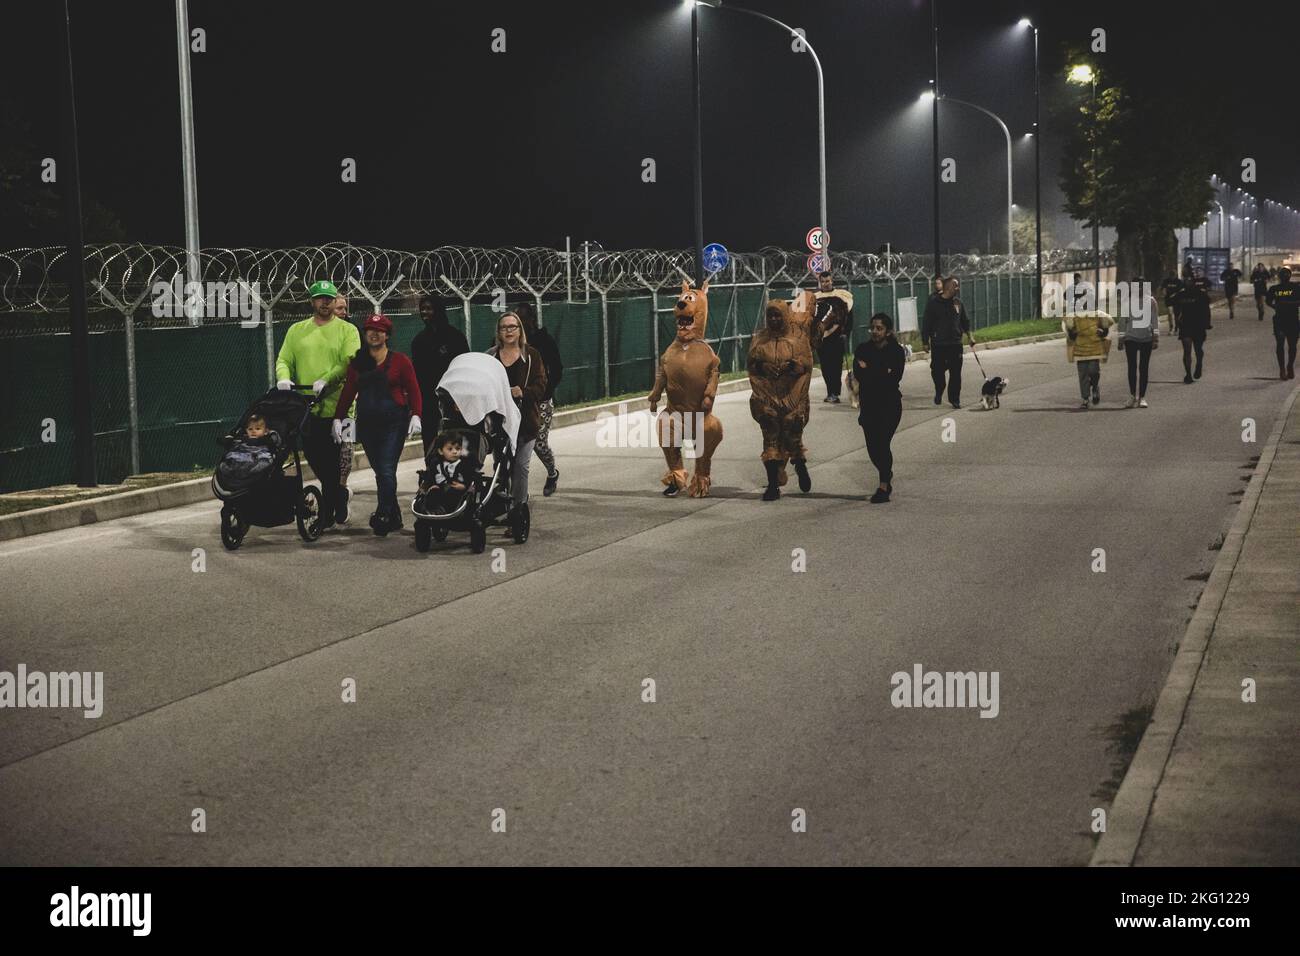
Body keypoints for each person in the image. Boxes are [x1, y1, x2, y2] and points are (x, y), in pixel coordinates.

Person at [274, 279, 360, 530]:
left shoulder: (348, 330)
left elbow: (349, 360)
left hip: (344, 410)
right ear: (312, 301)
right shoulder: (297, 330)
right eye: (320, 298)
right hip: (307, 408)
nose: (325, 302)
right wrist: (284, 378)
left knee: (342, 458)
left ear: (335, 301)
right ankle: (337, 496)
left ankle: (330, 509)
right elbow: (283, 359)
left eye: (330, 298)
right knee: (315, 457)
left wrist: (329, 379)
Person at [333, 314, 423, 536]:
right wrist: (338, 418)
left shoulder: (401, 361)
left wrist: (416, 415)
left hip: (394, 423)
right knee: (382, 471)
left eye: (379, 330)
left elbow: (413, 390)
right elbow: (348, 392)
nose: (374, 334)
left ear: (387, 334)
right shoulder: (358, 362)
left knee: (385, 468)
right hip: (367, 424)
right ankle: (394, 516)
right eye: (370, 330)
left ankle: (382, 513)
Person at [487, 311, 547, 510]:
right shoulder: (491, 356)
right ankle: (503, 504)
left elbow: (541, 385)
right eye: (504, 327)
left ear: (520, 330)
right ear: (498, 332)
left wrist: (523, 392)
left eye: (513, 327)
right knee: (501, 467)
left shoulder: (531, 356)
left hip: (525, 421)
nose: (508, 331)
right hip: (499, 421)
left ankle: (518, 510)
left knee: (520, 467)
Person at [853, 312, 906, 503]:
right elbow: (859, 374)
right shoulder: (863, 349)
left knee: (882, 444)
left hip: (890, 405)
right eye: (872, 328)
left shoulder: (897, 351)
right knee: (872, 448)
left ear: (888, 331)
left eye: (879, 328)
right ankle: (886, 471)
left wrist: (870, 369)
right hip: (868, 405)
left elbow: (894, 377)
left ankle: (883, 485)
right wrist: (881, 370)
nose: (875, 332)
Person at [409, 296, 468, 454]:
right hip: (429, 396)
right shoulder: (419, 341)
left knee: (454, 433)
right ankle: (431, 468)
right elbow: (417, 372)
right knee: (429, 436)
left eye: (429, 308)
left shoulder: (455, 337)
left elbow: (463, 366)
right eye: (422, 308)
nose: (424, 312)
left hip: (453, 394)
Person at [515, 302, 563, 496]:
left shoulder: (544, 341)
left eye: (521, 319)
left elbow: (557, 369)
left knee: (539, 443)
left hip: (540, 400)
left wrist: (545, 390)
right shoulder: (511, 343)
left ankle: (552, 472)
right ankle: (513, 489)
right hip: (517, 402)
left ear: (531, 320)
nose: (518, 323)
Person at [921, 276, 970, 408]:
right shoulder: (934, 303)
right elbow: (926, 322)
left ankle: (955, 399)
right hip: (939, 344)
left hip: (955, 344)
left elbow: (965, 321)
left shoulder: (958, 303)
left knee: (956, 373)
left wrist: (970, 336)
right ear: (948, 287)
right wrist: (925, 341)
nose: (958, 288)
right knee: (937, 371)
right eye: (956, 286)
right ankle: (939, 389)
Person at [330, 294, 357, 523]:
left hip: (349, 407)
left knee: (346, 452)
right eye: (339, 308)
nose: (343, 311)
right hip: (325, 405)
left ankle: (342, 490)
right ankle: (333, 494)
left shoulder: (351, 332)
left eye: (345, 308)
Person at [1116, 277, 1159, 407]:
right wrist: (1121, 338)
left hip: (1146, 337)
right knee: (1132, 367)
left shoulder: (1151, 301)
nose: (1139, 288)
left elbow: (1155, 320)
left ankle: (1142, 397)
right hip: (1131, 338)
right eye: (1136, 286)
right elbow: (1122, 320)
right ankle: (1132, 396)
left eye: (1141, 286)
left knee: (1144, 368)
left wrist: (1155, 337)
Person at [813, 269, 853, 404]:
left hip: (836, 337)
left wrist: (846, 333)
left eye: (827, 281)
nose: (825, 284)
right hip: (821, 338)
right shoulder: (816, 297)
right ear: (820, 282)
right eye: (823, 281)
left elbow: (849, 317)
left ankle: (835, 392)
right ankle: (830, 392)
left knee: (836, 366)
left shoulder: (841, 296)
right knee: (825, 366)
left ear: (832, 281)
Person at [1064, 306, 1114, 409]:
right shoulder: (1073, 316)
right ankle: (1085, 399)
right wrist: (1072, 332)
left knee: (1093, 371)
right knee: (1083, 374)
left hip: (1094, 348)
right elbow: (1069, 331)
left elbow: (1106, 326)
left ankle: (1095, 387)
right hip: (1080, 349)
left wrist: (1102, 331)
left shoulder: (1098, 314)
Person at [1169, 278, 1211, 384]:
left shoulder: (1201, 295)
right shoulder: (1181, 295)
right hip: (1185, 325)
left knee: (1198, 349)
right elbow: (1170, 302)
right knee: (1187, 351)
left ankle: (1199, 364)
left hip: (1198, 325)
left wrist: (1207, 323)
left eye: (1190, 282)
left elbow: (1207, 309)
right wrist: (1177, 316)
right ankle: (1188, 374)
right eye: (1186, 283)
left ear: (1194, 284)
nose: (1188, 284)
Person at [421, 433, 469, 513]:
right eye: (450, 449)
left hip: (456, 491)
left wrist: (464, 486)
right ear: (440, 451)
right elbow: (431, 476)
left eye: (458, 449)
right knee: (432, 493)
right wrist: (430, 485)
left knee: (453, 493)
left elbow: (469, 477)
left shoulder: (463, 464)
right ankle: (432, 510)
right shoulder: (436, 463)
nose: (454, 452)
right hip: (439, 489)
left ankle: (443, 510)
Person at [1265, 267, 1299, 380]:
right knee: (1283, 345)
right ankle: (1282, 369)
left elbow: (1269, 302)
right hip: (1283, 321)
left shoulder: (1296, 287)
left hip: (1291, 320)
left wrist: (1278, 306)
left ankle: (1288, 366)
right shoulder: (1275, 289)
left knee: (1291, 346)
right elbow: (1268, 301)